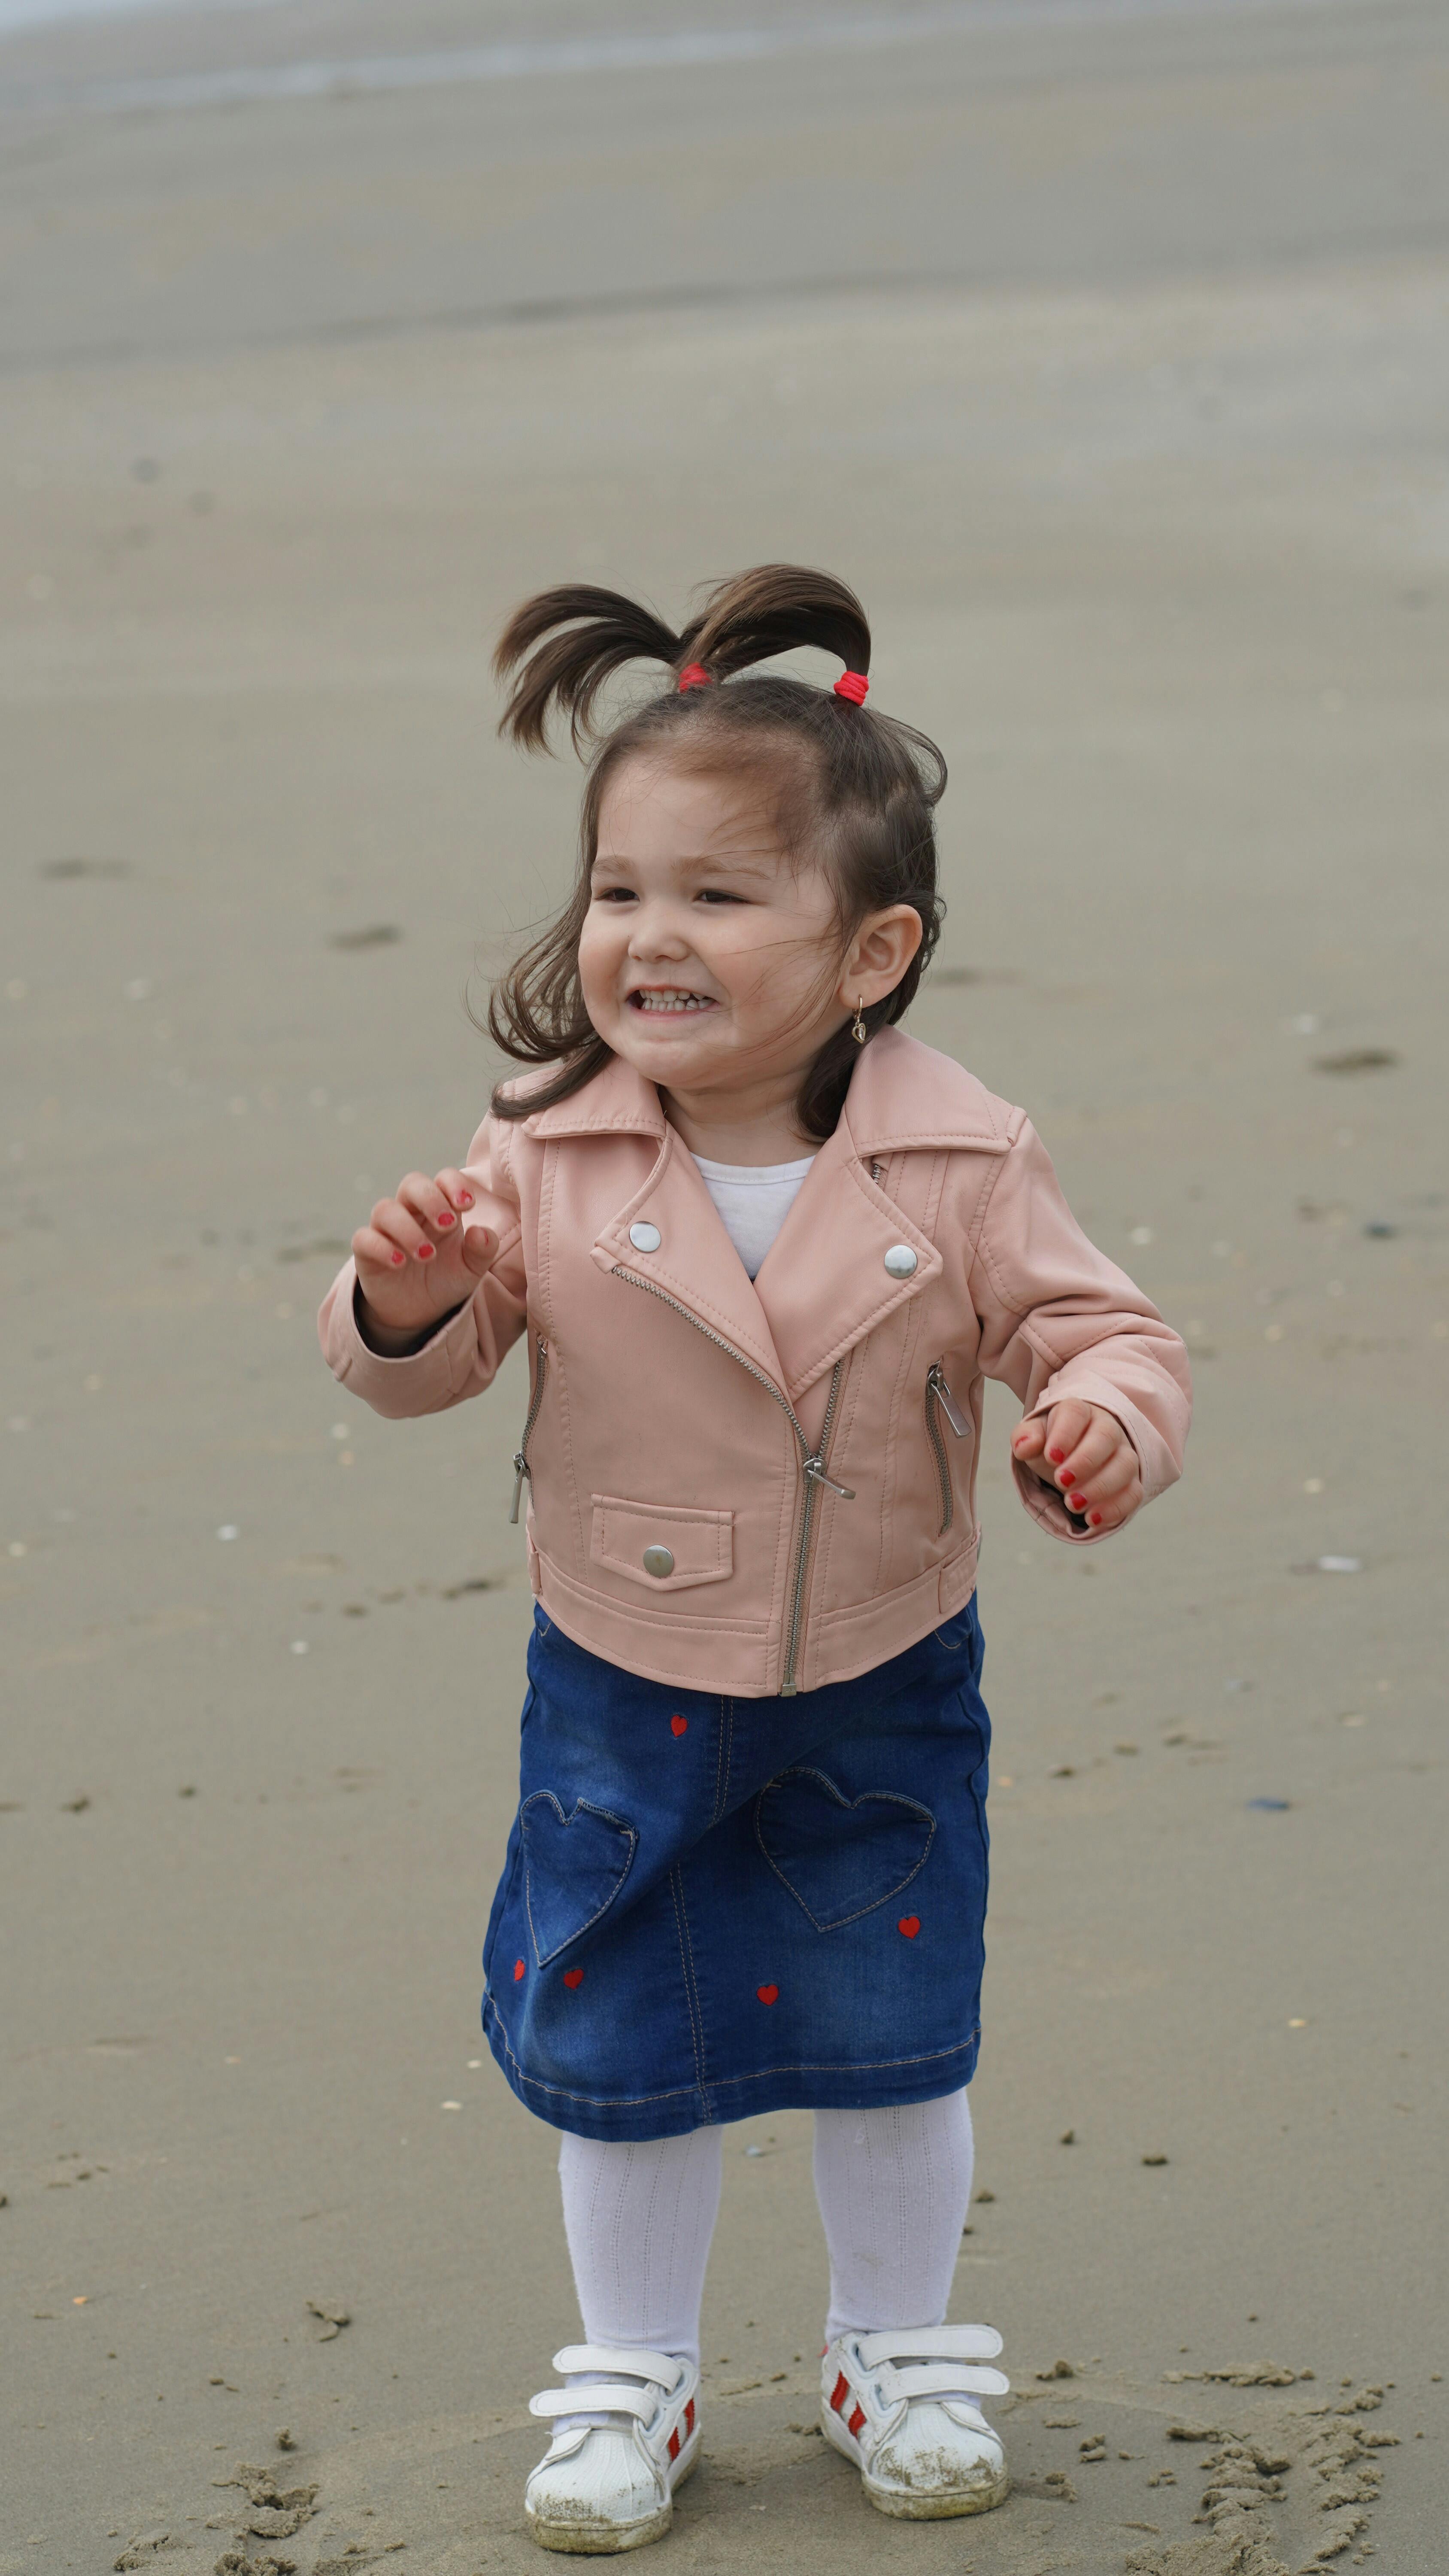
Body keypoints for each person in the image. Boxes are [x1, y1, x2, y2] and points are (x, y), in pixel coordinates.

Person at [318, 565, 1191, 2553]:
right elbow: (426, 1375)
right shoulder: (545, 1143)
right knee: (629, 2030)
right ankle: (633, 2365)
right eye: (621, 891)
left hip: (884, 1659)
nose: (650, 937)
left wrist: (1099, 1430)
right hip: (621, 1665)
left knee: (892, 2021)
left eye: (719, 896)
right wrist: (402, 1299)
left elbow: (1103, 1336)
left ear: (870, 950)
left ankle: (896, 2338)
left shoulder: (959, 1155)